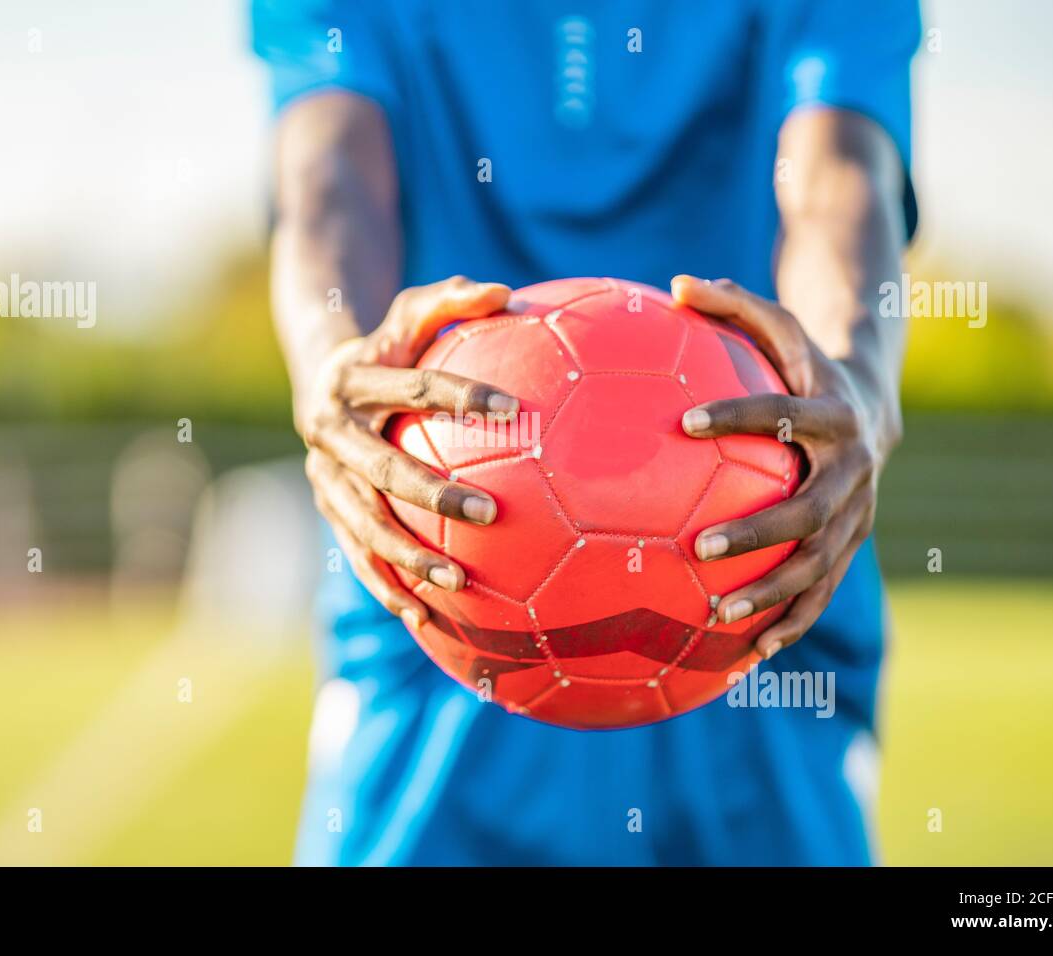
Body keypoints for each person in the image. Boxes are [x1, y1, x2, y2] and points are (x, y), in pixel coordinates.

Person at [253, 0, 919, 865]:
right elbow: (327, 175)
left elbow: (839, 174)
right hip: (438, 578)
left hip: (761, 578)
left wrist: (855, 378)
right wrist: (329, 359)